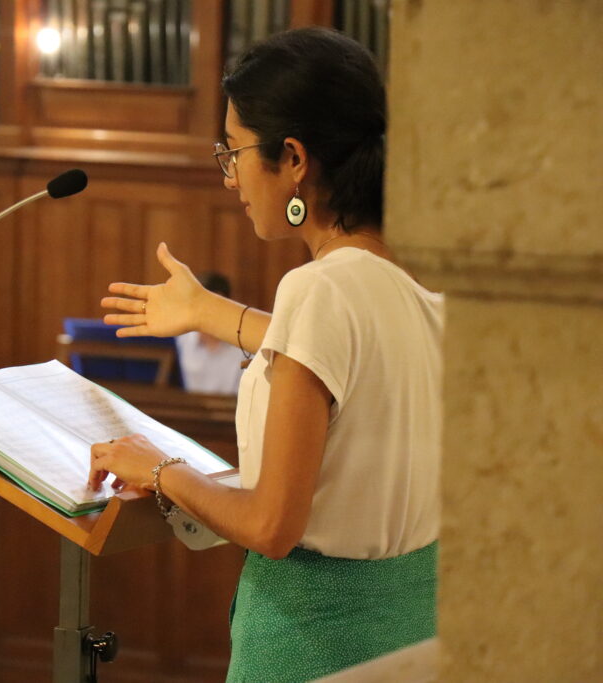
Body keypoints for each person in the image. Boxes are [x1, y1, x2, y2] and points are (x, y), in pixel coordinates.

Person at [88, 28, 443, 682]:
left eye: (236, 151)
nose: (231, 178)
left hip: (312, 643)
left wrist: (161, 469)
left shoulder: (318, 290)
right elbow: (336, 353)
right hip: (413, 630)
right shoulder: (417, 290)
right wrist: (207, 312)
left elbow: (272, 523)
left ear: (295, 158)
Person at [175, 272, 244, 395]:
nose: (208, 315)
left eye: (215, 308)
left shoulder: (244, 348)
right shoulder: (179, 342)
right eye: (202, 307)